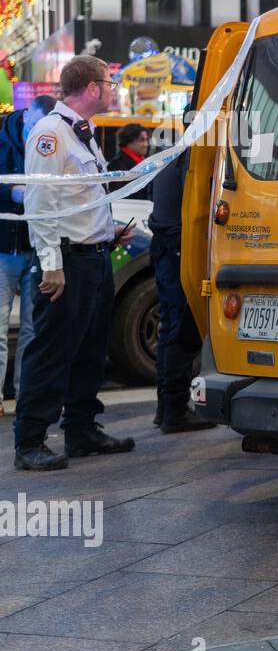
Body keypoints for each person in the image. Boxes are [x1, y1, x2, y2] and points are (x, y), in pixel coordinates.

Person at [13, 56, 135, 470]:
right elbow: (41, 204)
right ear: (92, 87)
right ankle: (29, 441)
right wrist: (51, 264)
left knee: (90, 351)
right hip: (66, 260)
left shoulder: (85, 134)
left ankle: (81, 430)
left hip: (95, 257)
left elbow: (82, 200)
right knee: (51, 351)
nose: (114, 88)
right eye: (110, 81)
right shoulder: (51, 134)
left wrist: (109, 232)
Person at [148, 146, 215, 433]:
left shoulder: (172, 154)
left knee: (170, 330)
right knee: (181, 332)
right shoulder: (192, 159)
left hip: (166, 248)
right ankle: (175, 411)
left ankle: (166, 408)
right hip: (179, 250)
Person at [0, 95, 53, 415]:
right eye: (33, 127)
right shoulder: (3, 141)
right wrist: (13, 192)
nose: (37, 135)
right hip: (4, 249)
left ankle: (25, 397)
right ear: (26, 116)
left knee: (34, 330)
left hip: (34, 248)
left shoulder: (48, 138)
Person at [107, 123, 149, 193]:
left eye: (147, 140)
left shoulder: (145, 161)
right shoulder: (116, 166)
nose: (146, 144)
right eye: (141, 140)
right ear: (129, 141)